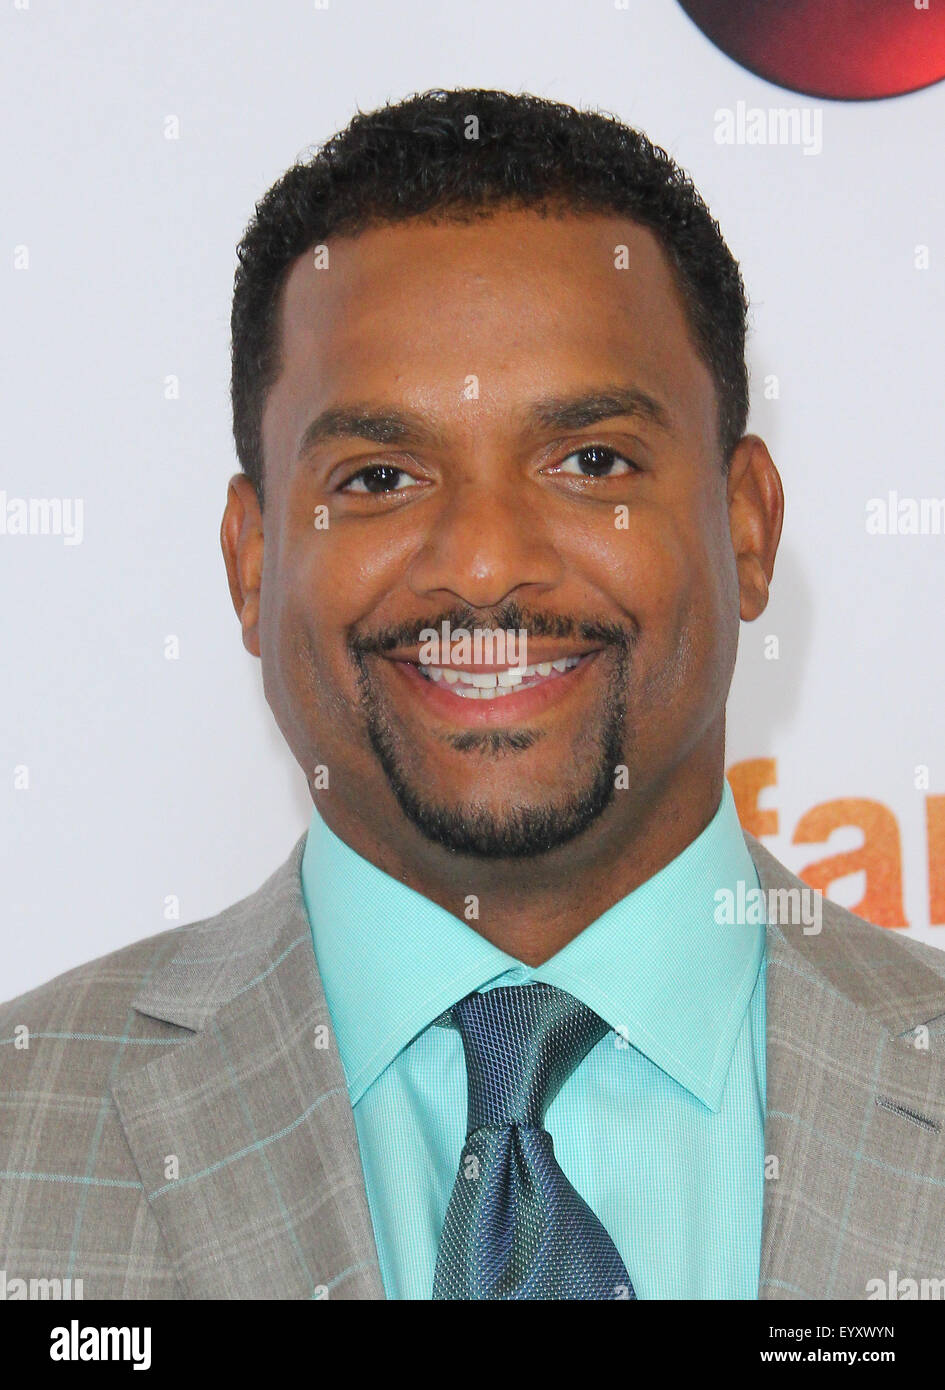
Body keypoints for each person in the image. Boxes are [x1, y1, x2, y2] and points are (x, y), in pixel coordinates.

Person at [3, 87, 943, 1302]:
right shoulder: (24, 1138)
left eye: (591, 461)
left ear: (747, 527)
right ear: (251, 561)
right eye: (382, 475)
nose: (486, 560)